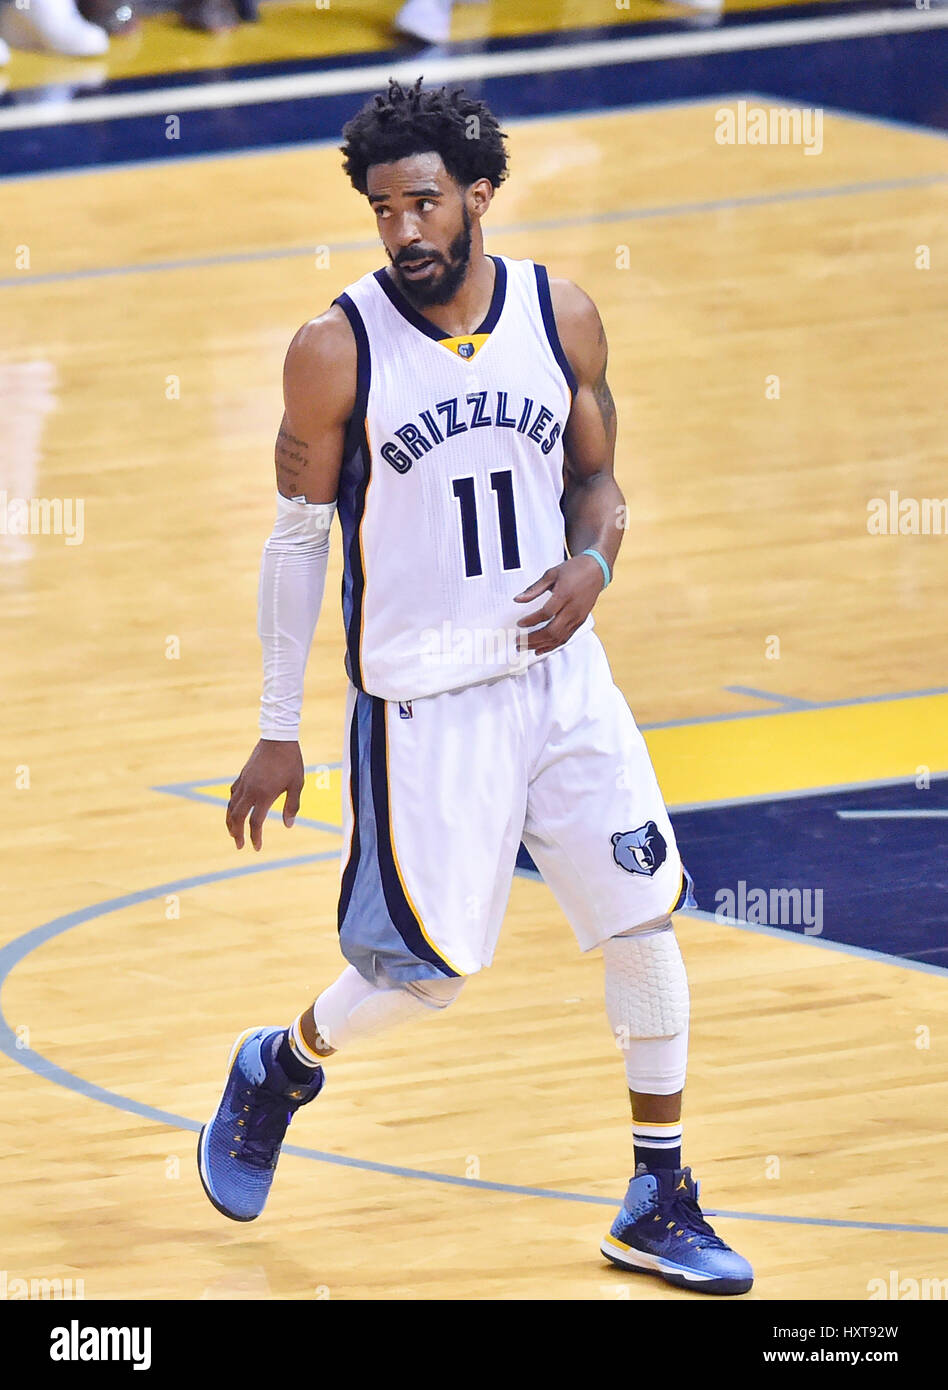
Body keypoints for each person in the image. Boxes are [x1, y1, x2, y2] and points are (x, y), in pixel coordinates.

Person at [198, 78, 753, 1296]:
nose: (404, 230)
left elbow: (601, 483)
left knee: (643, 922)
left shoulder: (564, 318)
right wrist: (277, 729)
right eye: (384, 208)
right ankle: (281, 1065)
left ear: (480, 195)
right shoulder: (332, 350)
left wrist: (596, 563)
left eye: (426, 202)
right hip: (425, 702)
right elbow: (297, 542)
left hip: (562, 682)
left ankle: (659, 1195)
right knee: (428, 975)